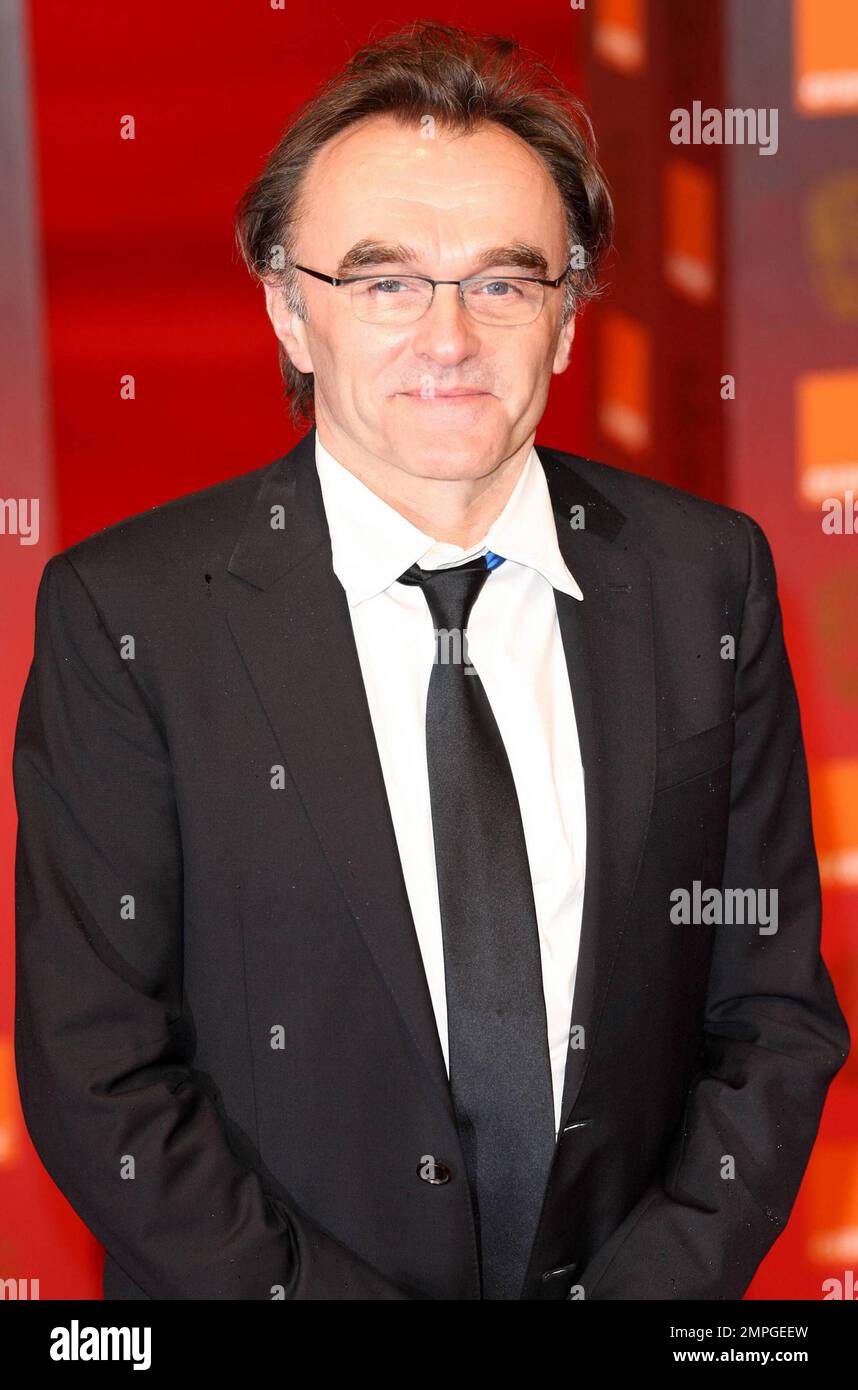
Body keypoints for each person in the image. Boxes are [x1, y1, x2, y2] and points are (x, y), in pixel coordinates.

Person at [13, 20, 849, 1301]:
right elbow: (96, 1070)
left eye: (506, 282)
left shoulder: (706, 580)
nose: (450, 337)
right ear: (293, 313)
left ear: (567, 320)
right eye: (386, 281)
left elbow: (773, 1013)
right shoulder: (129, 616)